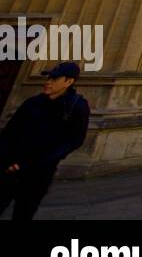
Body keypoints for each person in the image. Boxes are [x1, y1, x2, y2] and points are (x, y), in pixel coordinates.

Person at [0, 61, 90, 220]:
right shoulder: (32, 103)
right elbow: (10, 132)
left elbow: (74, 140)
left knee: (23, 213)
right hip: (10, 168)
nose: (48, 82)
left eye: (54, 79)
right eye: (48, 78)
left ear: (69, 82)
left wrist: (36, 163)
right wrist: (7, 159)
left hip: (38, 173)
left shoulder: (76, 107)